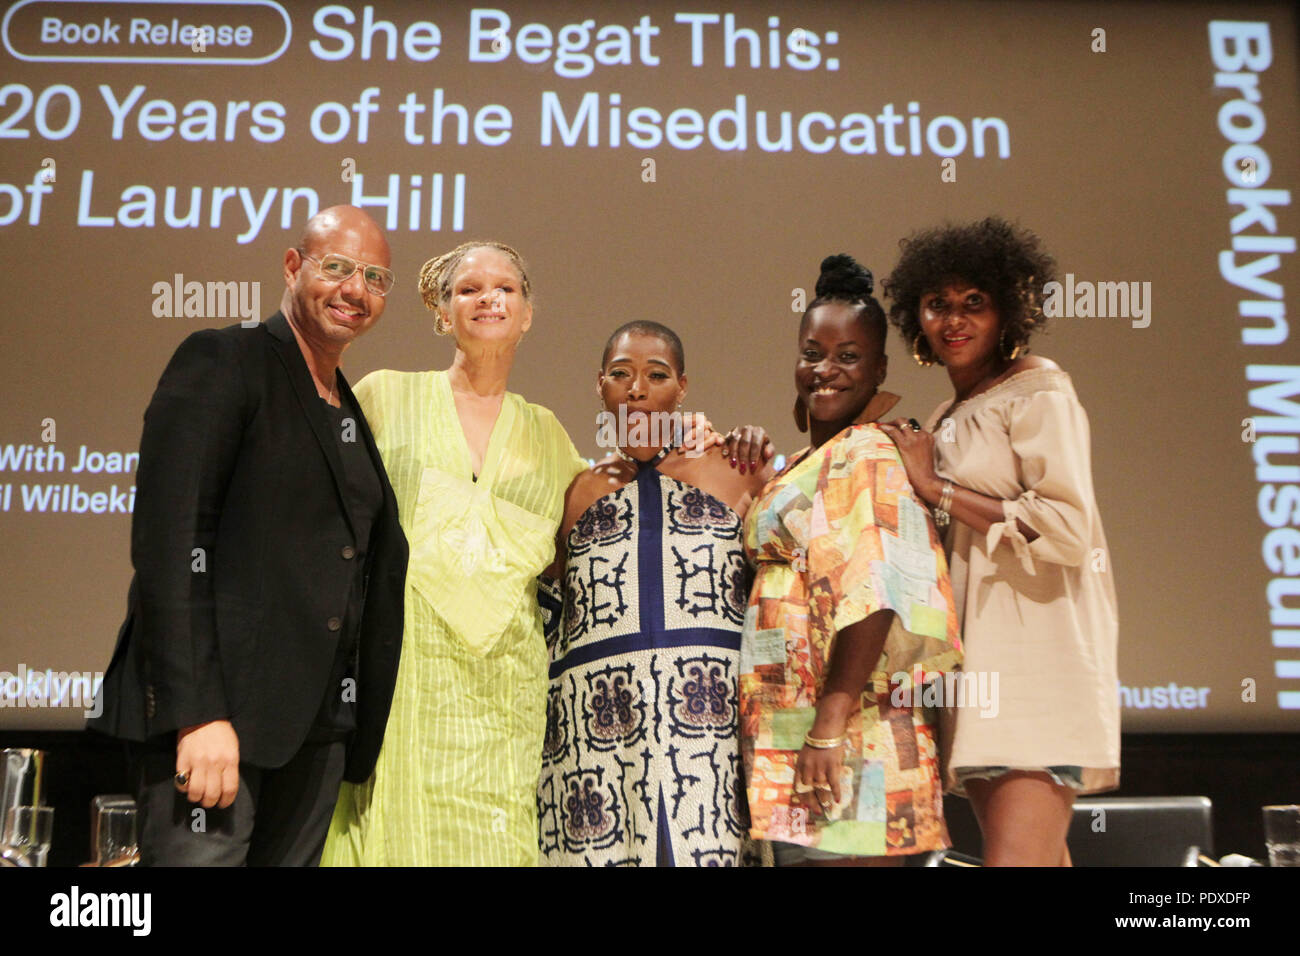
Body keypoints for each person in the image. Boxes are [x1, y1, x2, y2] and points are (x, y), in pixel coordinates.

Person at [88, 205, 409, 866]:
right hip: (219, 729)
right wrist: (198, 714)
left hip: (316, 737)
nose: (356, 289)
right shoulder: (224, 359)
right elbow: (170, 543)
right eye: (338, 267)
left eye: (376, 278)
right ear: (293, 267)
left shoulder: (347, 408)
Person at [320, 241, 591, 866]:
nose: (488, 298)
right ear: (443, 313)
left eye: (506, 289)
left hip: (505, 704)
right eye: (468, 289)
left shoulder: (548, 435)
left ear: (527, 314)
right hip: (402, 687)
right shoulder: (386, 398)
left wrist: (698, 441)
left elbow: (610, 510)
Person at [880, 216, 1119, 866]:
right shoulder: (942, 417)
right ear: (916, 318)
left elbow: (1067, 530)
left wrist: (937, 489)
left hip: (1036, 666)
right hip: (972, 673)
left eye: (973, 304)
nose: (954, 320)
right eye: (938, 305)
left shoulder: (1039, 386)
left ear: (1006, 310)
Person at [740, 254, 962, 866]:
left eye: (848, 356)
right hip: (796, 732)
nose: (826, 370)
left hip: (849, 740)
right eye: (813, 352)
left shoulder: (868, 452)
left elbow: (878, 588)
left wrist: (828, 725)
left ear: (879, 368)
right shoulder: (812, 458)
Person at [538, 321, 773, 866]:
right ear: (601, 387)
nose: (637, 389)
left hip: (705, 731)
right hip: (594, 737)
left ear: (682, 388)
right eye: (621, 374)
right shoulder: (579, 490)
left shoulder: (735, 470)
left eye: (656, 375)